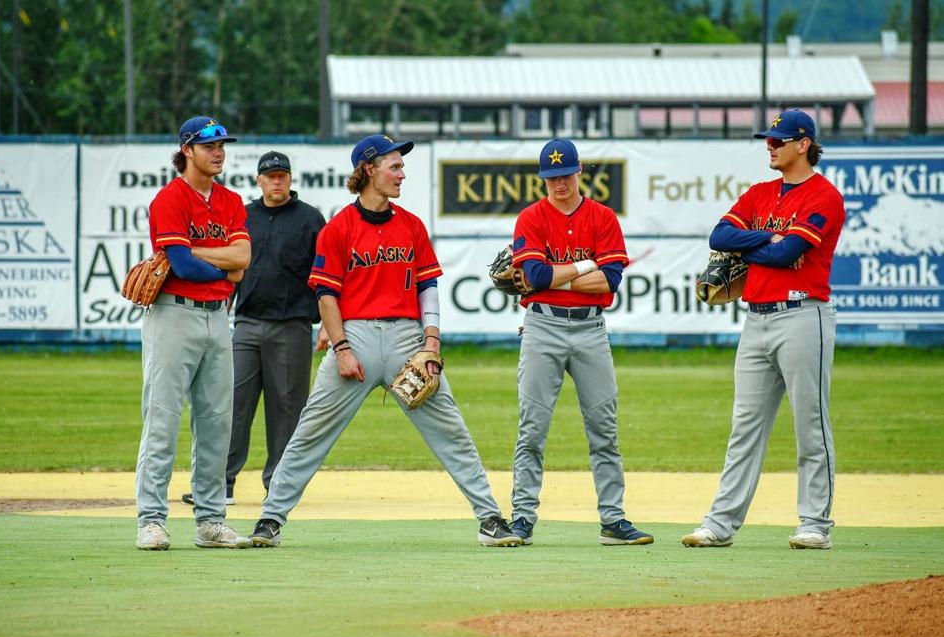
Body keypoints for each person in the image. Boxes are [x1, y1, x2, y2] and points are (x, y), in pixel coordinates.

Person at [248, 134, 521, 548]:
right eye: (394, 166)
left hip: (406, 340)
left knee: (450, 429)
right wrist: (341, 348)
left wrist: (431, 343)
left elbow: (428, 286)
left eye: (401, 166)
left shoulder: (411, 225)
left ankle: (489, 518)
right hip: (353, 336)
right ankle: (270, 519)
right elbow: (326, 295)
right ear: (368, 170)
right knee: (311, 431)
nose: (402, 173)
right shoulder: (339, 227)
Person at [682, 108, 845, 550]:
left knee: (810, 423)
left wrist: (769, 245)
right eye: (767, 140)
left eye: (778, 140)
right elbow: (719, 237)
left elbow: (787, 252)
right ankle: (720, 523)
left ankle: (815, 524)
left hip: (802, 316)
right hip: (755, 319)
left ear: (803, 144)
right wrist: (769, 241)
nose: (769, 146)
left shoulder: (824, 196)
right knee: (744, 427)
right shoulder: (759, 193)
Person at [508, 138, 653, 547]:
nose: (559, 184)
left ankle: (613, 520)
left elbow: (610, 282)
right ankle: (522, 517)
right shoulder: (531, 218)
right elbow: (535, 278)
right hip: (542, 328)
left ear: (579, 172)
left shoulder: (603, 217)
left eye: (565, 175)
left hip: (591, 329)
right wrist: (587, 266)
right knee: (532, 429)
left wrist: (561, 274)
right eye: (552, 178)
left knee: (604, 429)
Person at [134, 116, 253, 551]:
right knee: (162, 417)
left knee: (217, 421)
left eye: (222, 145)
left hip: (218, 316)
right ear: (187, 149)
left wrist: (196, 250)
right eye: (210, 146)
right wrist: (224, 264)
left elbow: (244, 256)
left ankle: (210, 521)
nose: (219, 152)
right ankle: (151, 520)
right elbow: (182, 267)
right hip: (173, 314)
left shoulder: (232, 200)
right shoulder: (169, 199)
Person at [181, 151, 327, 506]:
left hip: (292, 325)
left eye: (282, 175)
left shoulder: (311, 220)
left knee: (287, 408)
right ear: (259, 180)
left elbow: (325, 275)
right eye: (269, 176)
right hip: (245, 324)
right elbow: (230, 271)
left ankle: (279, 484)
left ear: (290, 179)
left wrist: (326, 325)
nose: (276, 181)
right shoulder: (244, 216)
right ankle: (221, 483)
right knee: (231, 403)